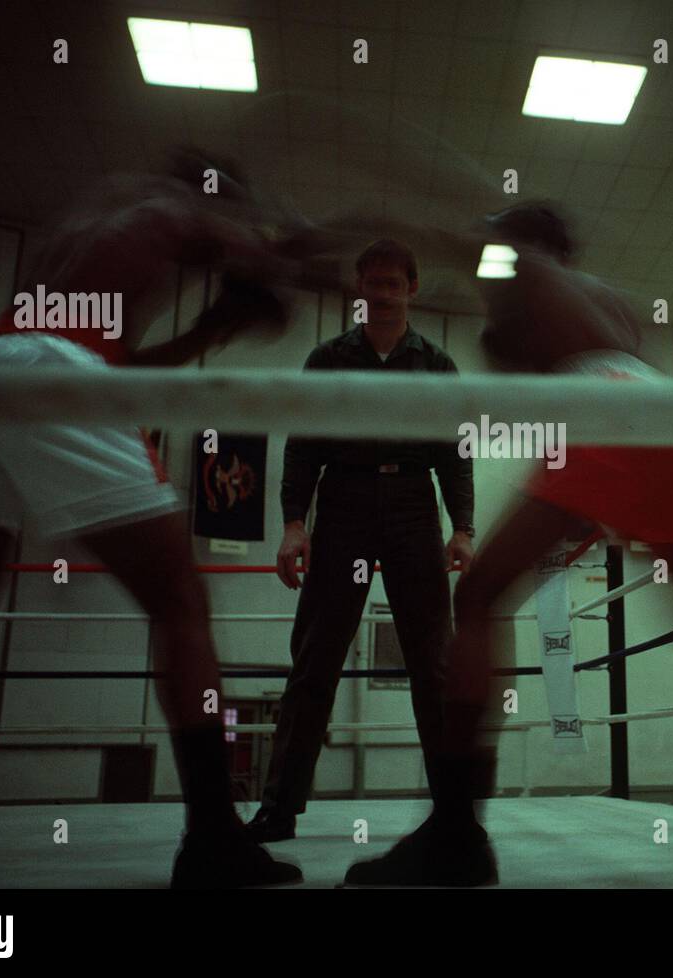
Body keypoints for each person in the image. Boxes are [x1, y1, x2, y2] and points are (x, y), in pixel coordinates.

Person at [340, 203, 673, 886]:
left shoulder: (522, 266)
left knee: (478, 596)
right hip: (664, 420)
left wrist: (321, 233)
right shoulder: (600, 298)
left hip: (601, 411)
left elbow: (444, 236)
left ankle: (455, 832)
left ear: (523, 240)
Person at [0, 149, 306, 889]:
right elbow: (266, 256)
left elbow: (116, 371)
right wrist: (288, 238)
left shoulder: (101, 227)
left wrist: (212, 331)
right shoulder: (167, 208)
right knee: (180, 599)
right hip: (49, 369)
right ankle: (213, 838)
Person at [246, 239, 475, 843]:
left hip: (413, 507)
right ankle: (278, 809)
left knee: (434, 663)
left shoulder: (436, 365)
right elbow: (303, 443)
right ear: (360, 288)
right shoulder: (327, 360)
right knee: (315, 657)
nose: (383, 294)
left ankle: (454, 814)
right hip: (343, 503)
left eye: (393, 284)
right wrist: (293, 523)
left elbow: (456, 452)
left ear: (412, 288)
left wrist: (464, 528)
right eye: (373, 283)